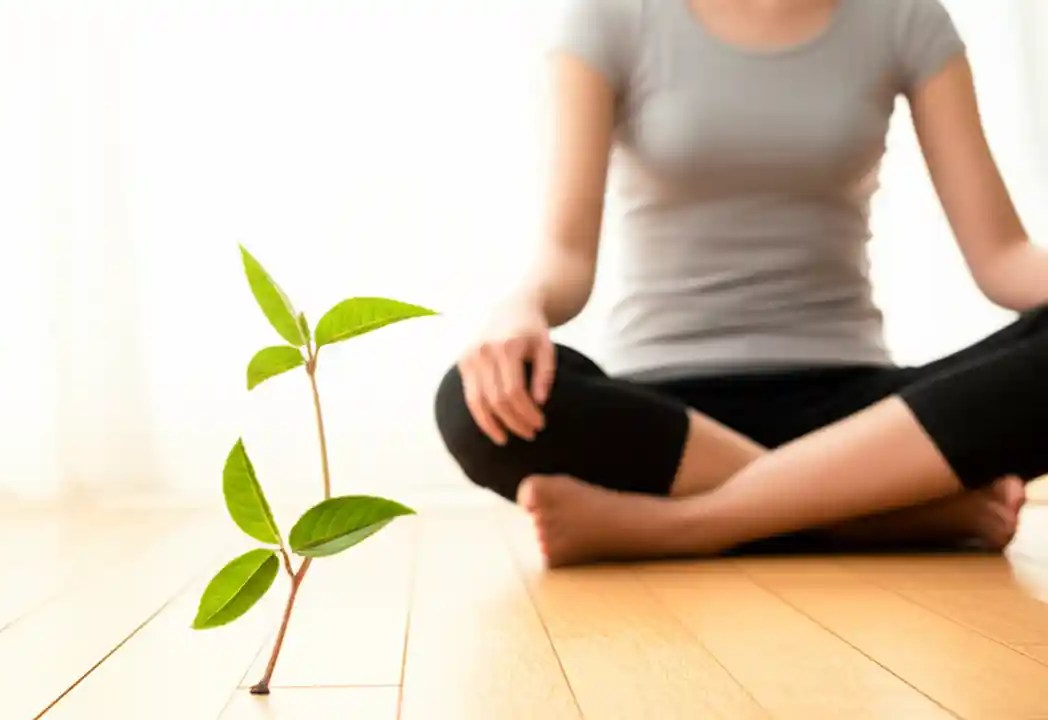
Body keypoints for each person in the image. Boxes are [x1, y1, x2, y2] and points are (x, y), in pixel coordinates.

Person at [434, 0, 1048, 566]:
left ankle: (689, 525)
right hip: (670, 421)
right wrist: (519, 309)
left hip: (865, 421)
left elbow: (1004, 257)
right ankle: (879, 515)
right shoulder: (613, 14)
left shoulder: (902, 16)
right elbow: (565, 257)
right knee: (475, 398)